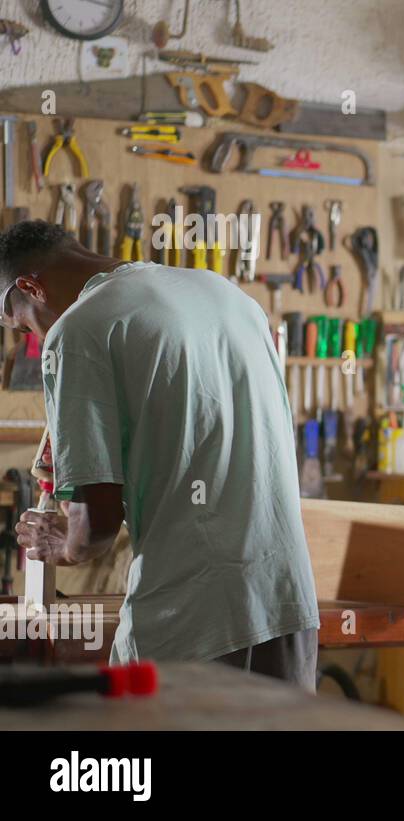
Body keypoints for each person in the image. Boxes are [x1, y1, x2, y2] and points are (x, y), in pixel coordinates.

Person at [0, 220, 319, 689]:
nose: (33, 337)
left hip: (192, 624)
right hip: (286, 605)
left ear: (30, 287)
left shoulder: (78, 330)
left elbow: (97, 528)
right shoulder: (224, 293)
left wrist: (62, 543)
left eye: (23, 323)